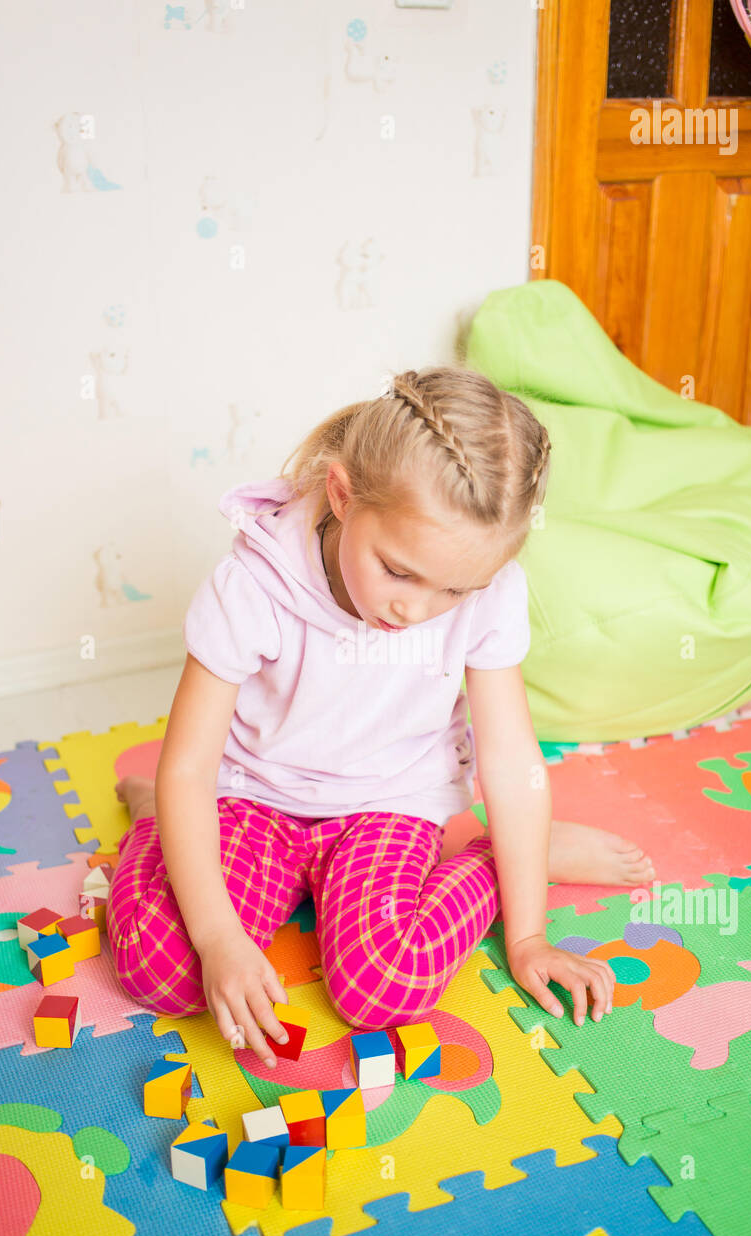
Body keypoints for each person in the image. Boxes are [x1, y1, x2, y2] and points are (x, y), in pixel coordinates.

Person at [107, 368, 655, 1069]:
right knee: (165, 970)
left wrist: (528, 939)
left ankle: (506, 859)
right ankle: (157, 824)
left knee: (386, 988)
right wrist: (218, 939)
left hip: (388, 804)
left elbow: (511, 763)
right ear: (342, 494)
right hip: (251, 798)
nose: (417, 610)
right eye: (398, 571)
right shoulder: (254, 583)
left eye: (456, 589)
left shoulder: (489, 594)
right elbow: (187, 767)